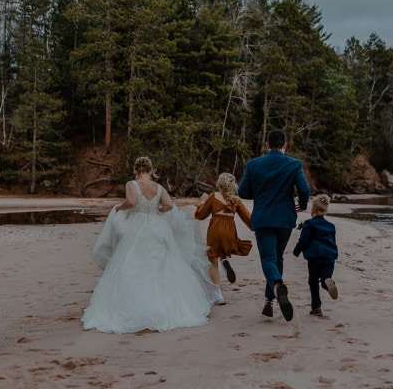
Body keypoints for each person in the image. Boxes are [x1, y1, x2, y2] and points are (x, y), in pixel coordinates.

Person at [82, 156, 217, 334]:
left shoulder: (132, 184)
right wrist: (157, 210)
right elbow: (168, 205)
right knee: (162, 264)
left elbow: (131, 202)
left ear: (135, 171)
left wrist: (119, 208)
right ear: (151, 171)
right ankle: (164, 306)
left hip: (137, 227)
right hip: (157, 226)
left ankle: (135, 306)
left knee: (133, 262)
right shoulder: (158, 187)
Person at [238, 129, 310, 321]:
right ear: (285, 145)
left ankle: (277, 287)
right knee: (277, 257)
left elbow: (243, 192)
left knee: (269, 259)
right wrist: (302, 205)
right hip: (285, 219)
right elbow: (305, 189)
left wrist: (260, 192)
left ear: (267, 145)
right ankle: (269, 302)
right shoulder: (294, 164)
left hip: (263, 218)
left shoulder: (254, 164)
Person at [194, 172, 254, 305]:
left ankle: (218, 295)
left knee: (212, 262)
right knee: (224, 247)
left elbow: (201, 215)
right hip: (230, 233)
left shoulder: (214, 196)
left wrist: (201, 202)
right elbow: (249, 219)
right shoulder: (236, 200)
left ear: (219, 185)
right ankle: (224, 259)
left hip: (215, 231)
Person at [292, 194, 339, 317]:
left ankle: (316, 307)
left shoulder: (309, 224)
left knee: (313, 280)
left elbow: (303, 240)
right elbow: (333, 242)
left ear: (312, 210)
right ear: (326, 211)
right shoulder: (331, 226)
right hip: (330, 256)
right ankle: (328, 282)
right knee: (326, 277)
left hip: (315, 256)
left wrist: (296, 251)